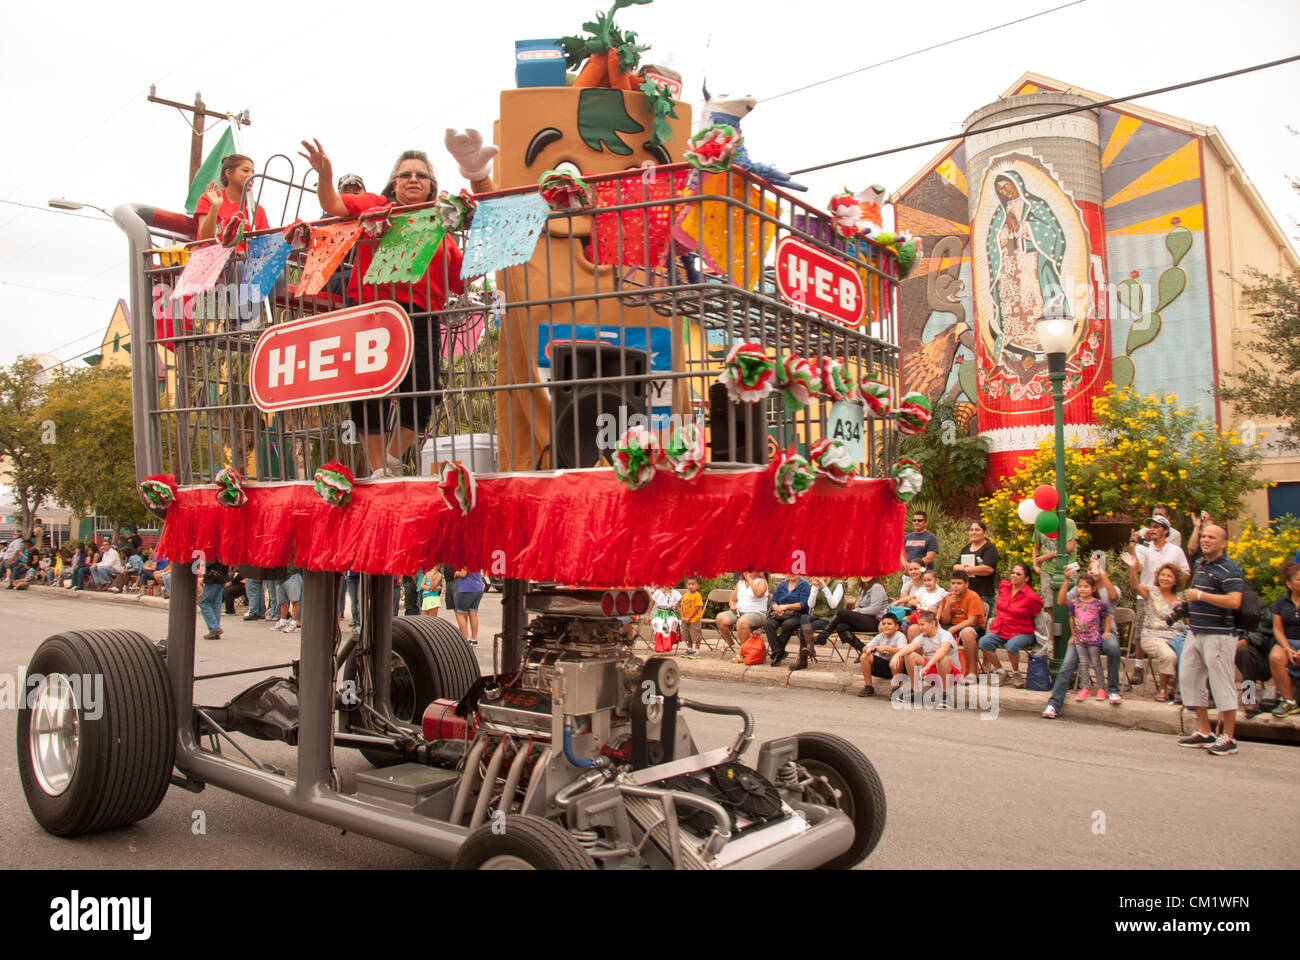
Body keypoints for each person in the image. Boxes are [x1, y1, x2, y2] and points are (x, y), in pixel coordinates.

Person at [298, 139, 466, 477]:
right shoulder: (376, 205)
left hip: (420, 314)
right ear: (394, 182)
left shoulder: (441, 222)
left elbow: (462, 276)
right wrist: (325, 174)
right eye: (405, 175)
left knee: (425, 389)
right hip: (370, 311)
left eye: (421, 175)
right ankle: (377, 469)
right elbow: (333, 203)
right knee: (367, 390)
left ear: (432, 184)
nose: (413, 180)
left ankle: (390, 459)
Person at [1175, 524, 1245, 756]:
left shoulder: (1230, 568)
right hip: (1196, 630)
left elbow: (1235, 601)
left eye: (1211, 537)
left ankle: (1229, 737)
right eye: (1204, 536)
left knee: (1221, 682)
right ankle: (1204, 730)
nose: (1205, 540)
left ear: (1223, 543)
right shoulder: (1200, 564)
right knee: (1190, 678)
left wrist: (1201, 596)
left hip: (1219, 633)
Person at [1122, 553, 1187, 702]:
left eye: (1169, 576)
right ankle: (1163, 690)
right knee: (1169, 656)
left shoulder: (1181, 597)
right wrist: (1133, 569)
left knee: (1187, 653)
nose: (1164, 578)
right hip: (1153, 636)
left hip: (1177, 637)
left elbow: (1187, 620)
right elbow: (1135, 586)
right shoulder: (1151, 592)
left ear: (1175, 580)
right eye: (1162, 575)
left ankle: (1176, 688)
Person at [977, 562, 1043, 686]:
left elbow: (1037, 615)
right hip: (1001, 628)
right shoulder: (1004, 587)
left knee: (1012, 646)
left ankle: (1016, 673)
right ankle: (1001, 671)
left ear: (1027, 578)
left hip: (1022, 631)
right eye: (1013, 572)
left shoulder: (1031, 597)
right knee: (984, 642)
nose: (1014, 575)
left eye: (1018, 574)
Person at [914, 569, 984, 684]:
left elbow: (972, 620)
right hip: (952, 625)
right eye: (953, 583)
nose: (956, 586)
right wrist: (948, 605)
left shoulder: (973, 596)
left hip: (971, 626)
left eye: (959, 583)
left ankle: (972, 672)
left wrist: (952, 629)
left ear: (966, 584)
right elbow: (945, 620)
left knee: (966, 633)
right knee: (925, 630)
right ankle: (927, 668)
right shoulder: (949, 596)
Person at [1061, 572, 1112, 701]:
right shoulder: (1074, 603)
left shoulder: (1098, 604)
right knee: (1083, 663)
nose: (1082, 589)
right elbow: (1072, 620)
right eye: (1080, 586)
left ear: (1093, 589)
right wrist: (1073, 635)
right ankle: (1084, 687)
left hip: (1094, 638)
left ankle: (1101, 687)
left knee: (1096, 662)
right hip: (1080, 639)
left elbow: (1107, 616)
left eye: (1086, 586)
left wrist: (1106, 631)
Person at [195, 154, 269, 242]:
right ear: (228, 173)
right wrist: (214, 208)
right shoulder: (208, 199)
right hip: (214, 254)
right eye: (246, 171)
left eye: (253, 172)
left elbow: (266, 243)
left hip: (244, 255)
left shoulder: (257, 210)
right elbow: (205, 238)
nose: (252, 176)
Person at [890, 610, 959, 704]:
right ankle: (915, 692)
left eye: (922, 624)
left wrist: (928, 666)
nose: (920, 627)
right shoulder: (922, 636)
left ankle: (945, 695)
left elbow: (943, 651)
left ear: (932, 624)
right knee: (910, 655)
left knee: (942, 658)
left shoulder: (945, 635)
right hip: (932, 671)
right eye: (919, 625)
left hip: (951, 674)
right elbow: (910, 646)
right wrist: (897, 656)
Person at [813, 575, 887, 659]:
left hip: (877, 622)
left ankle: (823, 636)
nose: (865, 575)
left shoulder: (877, 587)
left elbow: (874, 609)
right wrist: (856, 611)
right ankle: (864, 650)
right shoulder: (863, 587)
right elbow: (858, 606)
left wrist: (855, 611)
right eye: (863, 573)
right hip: (864, 620)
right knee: (840, 626)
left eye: (868, 573)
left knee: (841, 613)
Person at [1266, 562, 1300, 718]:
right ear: (1289, 584)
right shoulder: (1281, 602)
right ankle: (1288, 701)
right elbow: (1278, 629)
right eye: (1299, 579)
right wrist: (1287, 648)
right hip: (1288, 642)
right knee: (1275, 656)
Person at [715, 570, 768, 655]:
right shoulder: (740, 583)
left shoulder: (762, 582)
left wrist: (749, 579)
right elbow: (733, 600)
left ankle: (743, 653)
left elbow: (758, 593)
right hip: (739, 612)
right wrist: (733, 606)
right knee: (720, 618)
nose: (748, 571)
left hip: (757, 613)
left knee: (742, 622)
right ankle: (729, 640)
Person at [765, 574, 812, 668]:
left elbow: (803, 604)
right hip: (780, 614)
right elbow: (773, 601)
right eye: (790, 571)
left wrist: (785, 606)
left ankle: (777, 654)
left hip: (797, 615)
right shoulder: (782, 585)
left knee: (788, 624)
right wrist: (777, 608)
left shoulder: (804, 585)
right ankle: (779, 652)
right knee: (768, 623)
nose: (792, 574)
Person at [1129, 515, 1188, 589]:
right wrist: (1132, 548)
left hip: (1168, 597)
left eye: (1156, 527)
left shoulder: (1176, 550)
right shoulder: (1143, 548)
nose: (1152, 529)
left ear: (1165, 531)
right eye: (1150, 527)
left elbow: (1186, 574)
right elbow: (1137, 569)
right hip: (1146, 596)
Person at [955, 520, 1000, 614]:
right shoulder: (966, 548)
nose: (973, 532)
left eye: (977, 530)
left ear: (984, 532)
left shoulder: (989, 548)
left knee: (977, 624)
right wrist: (960, 568)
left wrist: (966, 570)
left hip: (982, 595)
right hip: (965, 594)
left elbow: (988, 569)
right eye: (971, 530)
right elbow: (955, 566)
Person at [857, 612, 906, 696]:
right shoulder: (880, 636)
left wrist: (887, 648)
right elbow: (864, 648)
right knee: (864, 656)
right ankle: (868, 686)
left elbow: (903, 651)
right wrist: (868, 649)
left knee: (898, 659)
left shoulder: (900, 636)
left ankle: (896, 688)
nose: (886, 626)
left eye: (889, 624)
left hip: (897, 667)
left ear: (896, 627)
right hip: (884, 666)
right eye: (884, 624)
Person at [1031, 516, 1078, 599]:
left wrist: (1047, 556)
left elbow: (1069, 547)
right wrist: (1035, 565)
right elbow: (1036, 548)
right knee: (1050, 604)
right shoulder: (1040, 524)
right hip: (1047, 569)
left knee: (1070, 601)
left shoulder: (1068, 523)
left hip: (1068, 568)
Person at [199, 560, 228, 640]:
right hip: (221, 577)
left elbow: (208, 562)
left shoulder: (211, 550)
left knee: (204, 603)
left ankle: (214, 628)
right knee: (216, 604)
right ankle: (215, 629)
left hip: (213, 577)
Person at [454, 569, 484, 645]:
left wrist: (456, 573)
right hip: (478, 588)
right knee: (473, 613)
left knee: (460, 613)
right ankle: (474, 639)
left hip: (467, 588)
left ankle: (466, 638)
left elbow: (463, 573)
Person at [650, 583, 683, 653]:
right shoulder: (658, 592)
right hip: (659, 613)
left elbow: (678, 607)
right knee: (658, 623)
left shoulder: (674, 593)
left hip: (670, 613)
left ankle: (668, 644)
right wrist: (647, 615)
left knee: (672, 621)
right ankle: (660, 646)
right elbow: (651, 604)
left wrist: (682, 617)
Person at [269, 565, 303, 633]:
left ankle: (294, 624)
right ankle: (282, 622)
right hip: (279, 576)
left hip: (293, 574)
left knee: (295, 601)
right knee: (282, 601)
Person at [679, 577, 705, 660]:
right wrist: (682, 616)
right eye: (689, 584)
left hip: (694, 620)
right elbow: (682, 606)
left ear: (698, 586)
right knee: (687, 635)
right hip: (685, 620)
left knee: (696, 635)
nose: (690, 586)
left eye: (693, 584)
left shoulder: (697, 596)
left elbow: (697, 607)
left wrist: (689, 617)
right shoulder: (685, 595)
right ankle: (689, 650)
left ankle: (696, 651)